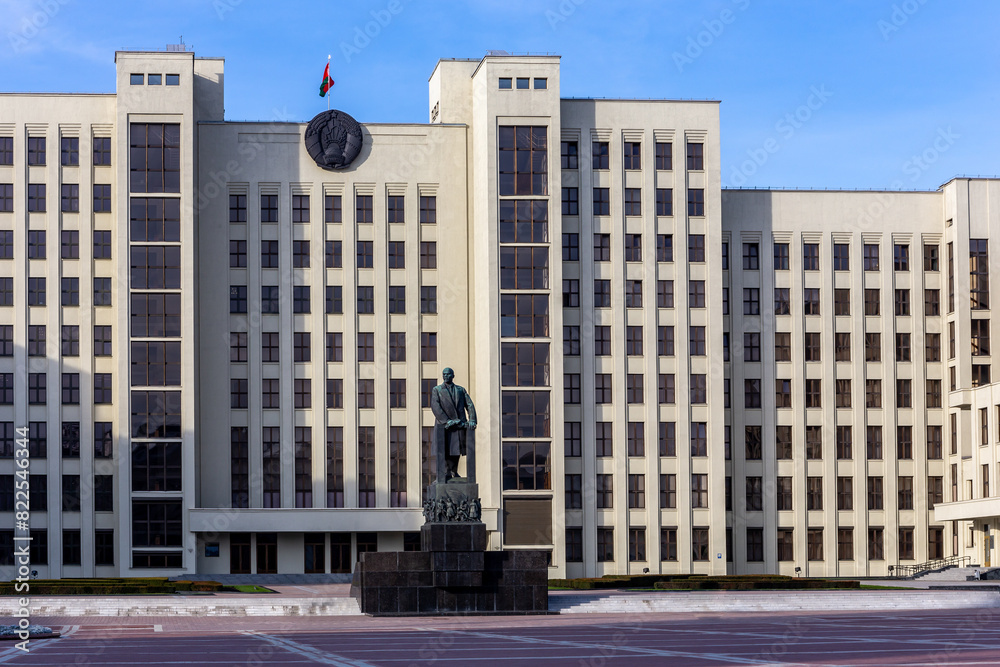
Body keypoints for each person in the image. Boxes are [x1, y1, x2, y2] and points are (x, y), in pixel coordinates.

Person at [430, 367, 477, 480]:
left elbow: (469, 405)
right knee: (444, 449)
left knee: (457, 450)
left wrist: (472, 420)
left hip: (458, 425)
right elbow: (435, 406)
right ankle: (446, 472)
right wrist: (447, 421)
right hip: (444, 425)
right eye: (444, 374)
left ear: (453, 376)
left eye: (448, 374)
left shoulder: (460, 390)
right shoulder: (437, 390)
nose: (445, 376)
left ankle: (454, 471)